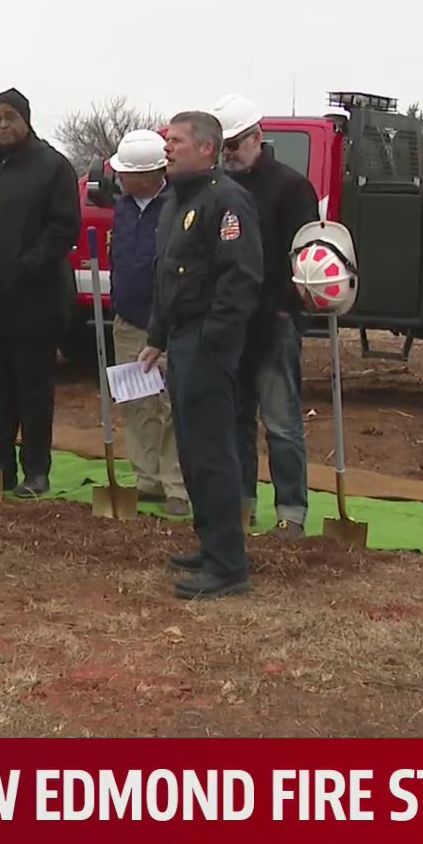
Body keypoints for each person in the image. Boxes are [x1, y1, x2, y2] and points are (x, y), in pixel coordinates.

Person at [138, 111, 263, 600]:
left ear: (207, 148)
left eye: (177, 141)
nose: (167, 148)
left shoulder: (226, 200)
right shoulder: (177, 201)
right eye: (167, 140)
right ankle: (211, 545)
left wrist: (213, 339)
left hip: (208, 343)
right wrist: (157, 336)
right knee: (191, 451)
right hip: (182, 338)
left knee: (212, 452)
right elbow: (167, 277)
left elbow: (241, 278)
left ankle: (229, 566)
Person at [0, 88, 81, 498]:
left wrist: (26, 266)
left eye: (10, 117)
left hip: (34, 303)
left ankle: (36, 471)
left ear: (26, 119)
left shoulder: (52, 167)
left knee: (33, 394)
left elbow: (64, 227)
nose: (3, 125)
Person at [214, 93, 321, 538]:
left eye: (235, 144)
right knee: (236, 419)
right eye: (223, 146)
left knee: (280, 422)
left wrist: (280, 307)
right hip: (231, 323)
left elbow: (305, 258)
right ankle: (242, 505)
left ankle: (291, 511)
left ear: (258, 138)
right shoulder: (219, 190)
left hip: (274, 322)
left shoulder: (291, 188)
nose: (229, 154)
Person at [104, 129, 188, 519]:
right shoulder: (123, 207)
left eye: (126, 173)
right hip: (128, 321)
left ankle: (176, 485)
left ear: (151, 174)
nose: (119, 177)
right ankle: (147, 479)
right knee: (136, 404)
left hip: (167, 324)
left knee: (171, 407)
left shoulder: (178, 205)